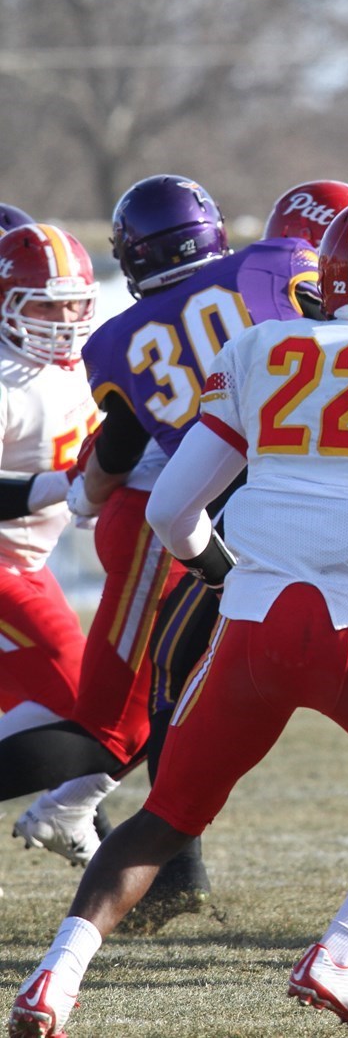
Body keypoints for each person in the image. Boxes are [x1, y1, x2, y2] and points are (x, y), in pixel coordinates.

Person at [6, 193, 348, 1038]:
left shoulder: (260, 348)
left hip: (250, 629)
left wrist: (222, 573)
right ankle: (340, 952)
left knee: (166, 814)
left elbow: (173, 509)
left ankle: (55, 976)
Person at [0, 223, 101, 745]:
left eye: (73, 305)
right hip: (6, 565)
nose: (63, 320)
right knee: (78, 693)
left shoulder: (83, 365)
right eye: (44, 306)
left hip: (29, 564)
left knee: (61, 704)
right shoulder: (6, 380)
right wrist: (69, 484)